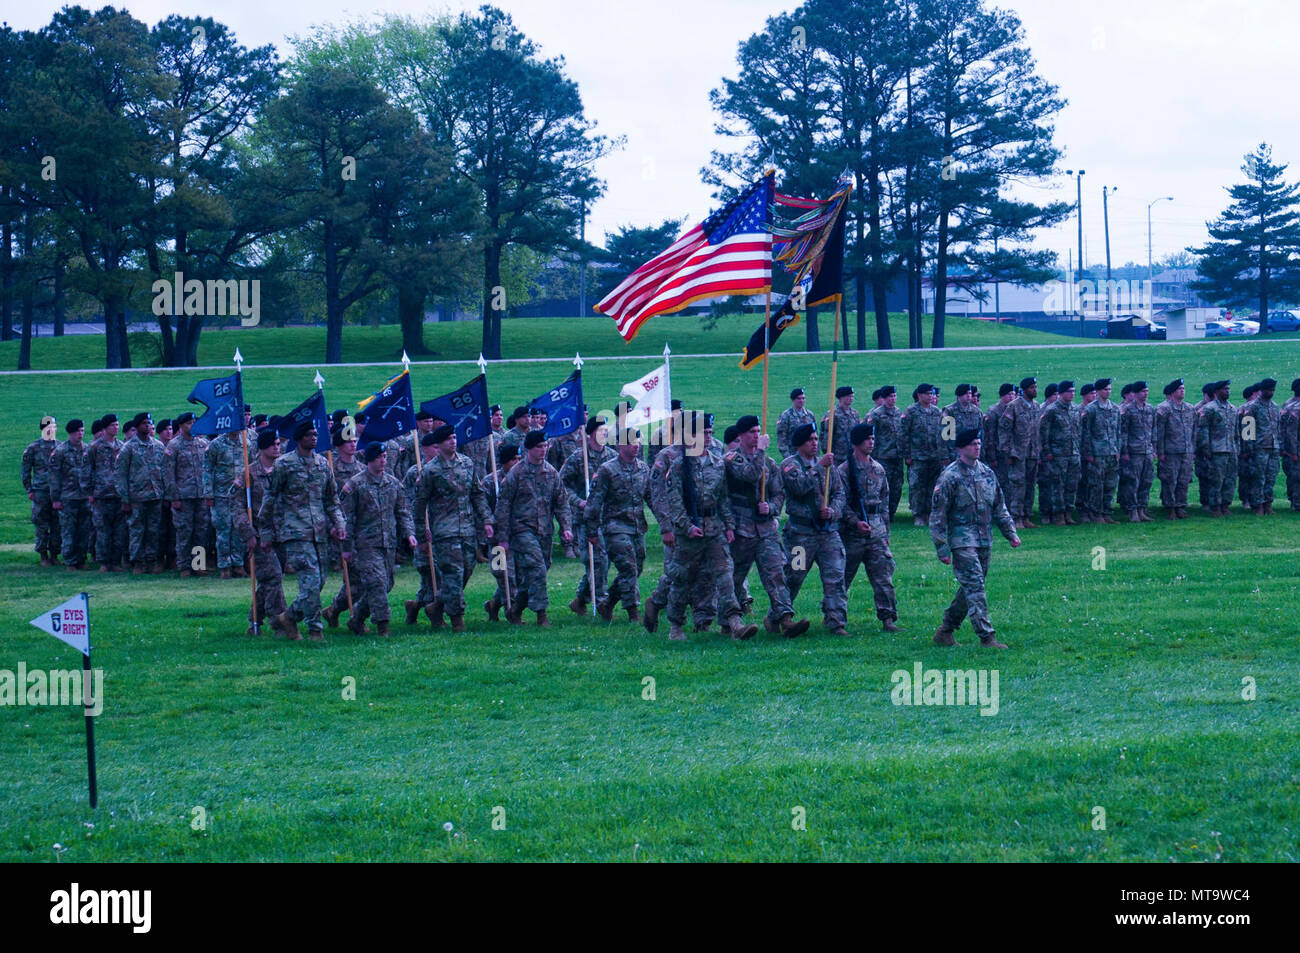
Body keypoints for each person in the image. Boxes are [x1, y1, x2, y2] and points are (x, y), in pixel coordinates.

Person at [657, 413, 756, 641]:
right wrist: (687, 526)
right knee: (681, 580)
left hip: (714, 530)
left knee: (725, 576)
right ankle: (676, 625)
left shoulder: (717, 463)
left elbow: (722, 498)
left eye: (711, 433)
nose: (709, 438)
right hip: (688, 533)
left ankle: (735, 623)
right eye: (704, 433)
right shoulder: (680, 466)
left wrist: (729, 525)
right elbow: (674, 503)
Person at [929, 428, 1021, 649]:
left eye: (979, 443)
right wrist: (942, 548)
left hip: (983, 540)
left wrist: (1011, 533)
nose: (977, 447)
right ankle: (986, 636)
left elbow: (999, 506)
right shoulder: (950, 476)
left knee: (970, 587)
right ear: (961, 448)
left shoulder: (987, 473)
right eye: (972, 444)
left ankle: (946, 630)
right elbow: (938, 515)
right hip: (962, 541)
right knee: (976, 586)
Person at [258, 422, 346, 640]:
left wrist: (339, 523)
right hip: (295, 532)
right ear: (299, 439)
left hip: (320, 532)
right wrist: (266, 533)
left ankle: (288, 617)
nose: (314, 438)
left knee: (319, 582)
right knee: (311, 583)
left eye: (315, 434)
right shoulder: (285, 465)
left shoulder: (323, 465)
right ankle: (315, 629)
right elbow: (270, 499)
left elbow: (331, 500)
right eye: (309, 435)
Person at [726, 414, 809, 638]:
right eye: (752, 432)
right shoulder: (733, 458)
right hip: (741, 530)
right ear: (741, 435)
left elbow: (778, 493)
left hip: (766, 530)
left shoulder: (770, 464)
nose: (756, 436)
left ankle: (784, 619)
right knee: (734, 577)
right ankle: (731, 622)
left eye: (758, 431)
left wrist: (771, 507)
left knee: (776, 574)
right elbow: (750, 475)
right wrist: (761, 451)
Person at [414, 424, 494, 632]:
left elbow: (477, 493)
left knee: (465, 570)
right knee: (453, 574)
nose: (453, 441)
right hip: (444, 531)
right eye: (448, 439)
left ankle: (437, 605)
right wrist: (422, 536)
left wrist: (486, 520)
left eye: (454, 437)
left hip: (467, 528)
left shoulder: (467, 464)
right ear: (439, 444)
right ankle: (457, 619)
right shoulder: (431, 471)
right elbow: (420, 504)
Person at [339, 443, 418, 637]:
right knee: (376, 583)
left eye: (384, 456)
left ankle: (357, 618)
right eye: (379, 457)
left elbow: (403, 512)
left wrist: (409, 533)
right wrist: (347, 547)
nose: (383, 460)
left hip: (388, 543)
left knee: (386, 584)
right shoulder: (355, 485)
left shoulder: (393, 483)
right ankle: (383, 624)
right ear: (369, 460)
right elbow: (347, 518)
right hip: (366, 544)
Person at [494, 430, 572, 626]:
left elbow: (561, 502)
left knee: (538, 572)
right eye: (538, 447)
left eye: (545, 446)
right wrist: (502, 538)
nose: (543, 450)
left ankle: (516, 609)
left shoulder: (551, 473)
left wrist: (566, 527)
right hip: (522, 530)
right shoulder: (517, 473)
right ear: (529, 449)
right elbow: (503, 506)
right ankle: (541, 614)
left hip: (544, 531)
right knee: (537, 570)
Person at [780, 423, 849, 637]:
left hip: (827, 533)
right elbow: (799, 487)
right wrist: (819, 467)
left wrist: (833, 510)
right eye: (810, 440)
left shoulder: (829, 467)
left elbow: (839, 493)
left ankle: (836, 620)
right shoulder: (791, 465)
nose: (815, 443)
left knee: (835, 575)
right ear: (800, 443)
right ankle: (781, 616)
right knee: (794, 576)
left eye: (816, 439)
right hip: (801, 535)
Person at [586, 426, 653, 622]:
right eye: (631, 443)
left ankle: (607, 604)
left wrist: (666, 522)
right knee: (629, 568)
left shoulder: (643, 468)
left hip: (637, 527)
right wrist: (591, 530)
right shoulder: (607, 470)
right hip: (615, 527)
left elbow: (651, 497)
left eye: (638, 443)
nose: (635, 447)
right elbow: (594, 502)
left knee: (635, 569)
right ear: (620, 445)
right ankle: (633, 612)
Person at [839, 423, 900, 633]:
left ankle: (888, 618)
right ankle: (835, 618)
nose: (871, 442)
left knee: (883, 577)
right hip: (852, 532)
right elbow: (841, 502)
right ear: (857, 442)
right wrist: (855, 521)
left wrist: (886, 532)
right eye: (867, 439)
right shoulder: (845, 470)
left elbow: (885, 501)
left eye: (873, 439)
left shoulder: (878, 469)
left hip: (876, 529)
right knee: (842, 577)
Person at [231, 429, 289, 637]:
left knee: (270, 579)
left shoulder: (284, 470)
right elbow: (236, 507)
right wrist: (248, 533)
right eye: (272, 444)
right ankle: (280, 623)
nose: (277, 447)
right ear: (262, 447)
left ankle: (255, 619)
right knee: (273, 576)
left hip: (283, 532)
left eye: (278, 443)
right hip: (260, 535)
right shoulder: (249, 474)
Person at [561, 416, 617, 615]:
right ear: (591, 433)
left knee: (604, 560)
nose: (605, 433)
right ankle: (601, 602)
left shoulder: (612, 456)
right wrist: (579, 502)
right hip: (585, 518)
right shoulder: (578, 458)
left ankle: (580, 599)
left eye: (606, 430)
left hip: (607, 518)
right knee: (596, 560)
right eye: (601, 430)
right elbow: (562, 485)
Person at [114, 414, 168, 572]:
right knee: (137, 530)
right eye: (143, 423)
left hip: (155, 495)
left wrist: (165, 494)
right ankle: (138, 562)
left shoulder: (158, 446)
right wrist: (125, 499)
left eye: (149, 423)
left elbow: (164, 471)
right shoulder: (128, 448)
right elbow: (120, 474)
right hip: (136, 497)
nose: (147, 426)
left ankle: (151, 560)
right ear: (137, 427)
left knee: (153, 530)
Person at [164, 412, 211, 576]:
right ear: (181, 426)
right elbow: (168, 474)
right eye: (189, 423)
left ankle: (198, 564)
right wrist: (174, 497)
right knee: (184, 531)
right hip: (183, 496)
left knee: (200, 531)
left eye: (194, 422)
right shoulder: (174, 446)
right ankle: (184, 565)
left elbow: (207, 470)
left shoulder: (202, 443)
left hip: (200, 495)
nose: (192, 425)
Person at [205, 426, 250, 578]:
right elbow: (207, 469)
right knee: (223, 530)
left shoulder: (246, 443)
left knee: (239, 530)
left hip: (240, 494)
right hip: (221, 494)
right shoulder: (216, 444)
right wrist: (208, 494)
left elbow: (250, 467)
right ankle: (224, 565)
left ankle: (238, 564)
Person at [483, 444, 521, 621]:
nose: (517, 463)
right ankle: (511, 611)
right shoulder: (491, 482)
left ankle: (494, 604)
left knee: (519, 576)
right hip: (497, 539)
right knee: (504, 574)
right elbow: (482, 507)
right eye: (513, 459)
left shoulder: (522, 477)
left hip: (519, 535)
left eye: (519, 459)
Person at [49, 419, 93, 570]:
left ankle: (81, 559)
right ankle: (70, 561)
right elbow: (54, 476)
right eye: (77, 431)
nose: (80, 434)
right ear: (70, 433)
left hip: (84, 496)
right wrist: (55, 498)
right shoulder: (60, 451)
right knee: (68, 531)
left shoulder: (87, 449)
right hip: (68, 497)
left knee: (84, 530)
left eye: (82, 431)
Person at [999, 376, 1041, 529]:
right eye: (1032, 388)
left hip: (1033, 452)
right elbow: (1004, 430)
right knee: (1017, 486)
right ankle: (1015, 517)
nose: (1035, 390)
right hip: (1017, 453)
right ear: (1024, 390)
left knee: (1030, 485)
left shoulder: (1036, 406)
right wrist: (1008, 452)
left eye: (1035, 387)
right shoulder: (1013, 406)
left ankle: (1026, 516)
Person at [86, 414, 126, 571]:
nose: (115, 428)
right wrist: (90, 492)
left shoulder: (122, 446)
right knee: (103, 530)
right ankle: (103, 562)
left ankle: (115, 561)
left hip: (118, 494)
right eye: (112, 425)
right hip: (101, 495)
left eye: (117, 425)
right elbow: (87, 470)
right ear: (104, 428)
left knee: (119, 530)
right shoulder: (95, 447)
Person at [1038, 381, 1080, 525]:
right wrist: (1047, 451)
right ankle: (1058, 514)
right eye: (1069, 391)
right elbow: (1044, 432)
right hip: (1057, 454)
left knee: (1071, 485)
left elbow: (1078, 431)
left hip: (1073, 452)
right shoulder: (1052, 409)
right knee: (1057, 485)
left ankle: (1068, 513)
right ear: (1061, 393)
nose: (1072, 394)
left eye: (1074, 391)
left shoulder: (1075, 409)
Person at [22, 416, 62, 565]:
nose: (54, 429)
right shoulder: (33, 448)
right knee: (41, 524)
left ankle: (55, 554)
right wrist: (29, 490)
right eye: (52, 426)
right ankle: (43, 555)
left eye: (55, 426)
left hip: (57, 493)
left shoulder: (60, 447)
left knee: (57, 524)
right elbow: (25, 471)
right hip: (41, 491)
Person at [1080, 378, 1121, 523]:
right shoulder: (1090, 409)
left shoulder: (1115, 408)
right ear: (1098, 392)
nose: (1108, 392)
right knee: (1096, 485)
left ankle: (1107, 512)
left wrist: (1118, 450)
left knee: (1110, 485)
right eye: (1105, 389)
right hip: (1097, 454)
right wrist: (1088, 453)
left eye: (1109, 389)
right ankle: (1096, 513)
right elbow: (1085, 433)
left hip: (1112, 452)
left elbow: (1118, 432)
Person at [902, 383, 944, 526]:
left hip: (934, 456)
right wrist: (907, 454)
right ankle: (918, 515)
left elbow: (941, 435)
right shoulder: (911, 411)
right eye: (927, 393)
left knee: (933, 486)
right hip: (917, 456)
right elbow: (904, 434)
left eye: (931, 393)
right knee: (917, 486)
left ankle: (930, 512)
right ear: (919, 395)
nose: (930, 396)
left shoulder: (937, 412)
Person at [1154, 378, 1196, 519]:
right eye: (1179, 389)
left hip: (1186, 451)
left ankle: (1180, 506)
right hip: (1170, 451)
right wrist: (1160, 452)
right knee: (1170, 480)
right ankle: (1170, 507)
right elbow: (1159, 433)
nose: (1182, 391)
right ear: (1172, 392)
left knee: (1184, 480)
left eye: (1183, 388)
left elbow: (1193, 430)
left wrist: (1193, 449)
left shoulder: (1189, 408)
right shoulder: (1164, 408)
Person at [1196, 380, 1237, 517]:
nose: (1227, 391)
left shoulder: (1232, 408)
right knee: (1216, 480)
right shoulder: (1209, 408)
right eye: (1225, 389)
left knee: (1230, 480)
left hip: (1230, 449)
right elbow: (1203, 430)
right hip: (1216, 450)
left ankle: (1225, 505)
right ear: (1217, 392)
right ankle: (1215, 507)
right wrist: (1206, 449)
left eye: (1228, 389)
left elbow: (1235, 431)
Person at [1118, 381, 1157, 522]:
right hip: (1134, 452)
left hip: (1147, 451)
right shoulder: (1128, 410)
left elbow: (1154, 430)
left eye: (1146, 391)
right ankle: (1132, 511)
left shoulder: (1150, 409)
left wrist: (1154, 449)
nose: (1145, 394)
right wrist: (1125, 452)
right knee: (1132, 482)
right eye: (1142, 391)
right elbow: (1124, 432)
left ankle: (1142, 509)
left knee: (1146, 482)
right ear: (1134, 394)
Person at [1242, 378, 1281, 515]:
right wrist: (1250, 448)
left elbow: (1277, 427)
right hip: (1259, 448)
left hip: (1273, 447)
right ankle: (1258, 505)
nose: (1271, 393)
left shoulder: (1275, 406)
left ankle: (1268, 504)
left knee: (1271, 477)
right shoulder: (1253, 406)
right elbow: (1247, 430)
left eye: (1273, 390)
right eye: (1269, 390)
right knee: (1259, 477)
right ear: (1262, 390)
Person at [866, 385, 904, 521]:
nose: (893, 399)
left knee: (897, 486)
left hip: (897, 456)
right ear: (883, 398)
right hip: (883, 456)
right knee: (882, 486)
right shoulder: (876, 414)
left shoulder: (898, 412)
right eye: (890, 397)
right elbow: (869, 434)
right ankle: (882, 513)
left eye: (894, 396)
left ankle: (892, 513)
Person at [941, 384, 984, 463]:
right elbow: (945, 435)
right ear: (959, 395)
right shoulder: (950, 411)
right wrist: (945, 455)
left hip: (973, 453)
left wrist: (982, 453)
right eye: (966, 393)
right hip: (955, 454)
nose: (969, 396)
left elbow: (981, 433)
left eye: (970, 393)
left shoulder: (976, 411)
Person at [820, 386, 860, 466]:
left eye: (852, 396)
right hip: (837, 457)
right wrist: (828, 455)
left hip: (852, 456)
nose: (851, 398)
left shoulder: (855, 414)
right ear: (841, 398)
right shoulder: (832, 414)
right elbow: (826, 437)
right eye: (848, 396)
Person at [777, 388, 817, 459]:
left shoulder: (810, 415)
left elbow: (815, 435)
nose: (801, 401)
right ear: (793, 400)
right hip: (793, 455)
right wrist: (787, 457)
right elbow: (782, 438)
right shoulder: (786, 416)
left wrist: (815, 455)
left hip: (809, 455)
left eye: (803, 398)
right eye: (799, 398)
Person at [1281, 378, 1300, 511]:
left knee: (1293, 476)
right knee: (1296, 476)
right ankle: (1297, 503)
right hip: (1295, 446)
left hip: (1288, 446)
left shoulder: (1286, 404)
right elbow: (1291, 432)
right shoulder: (1296, 407)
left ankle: (1294, 501)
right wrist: (1293, 452)